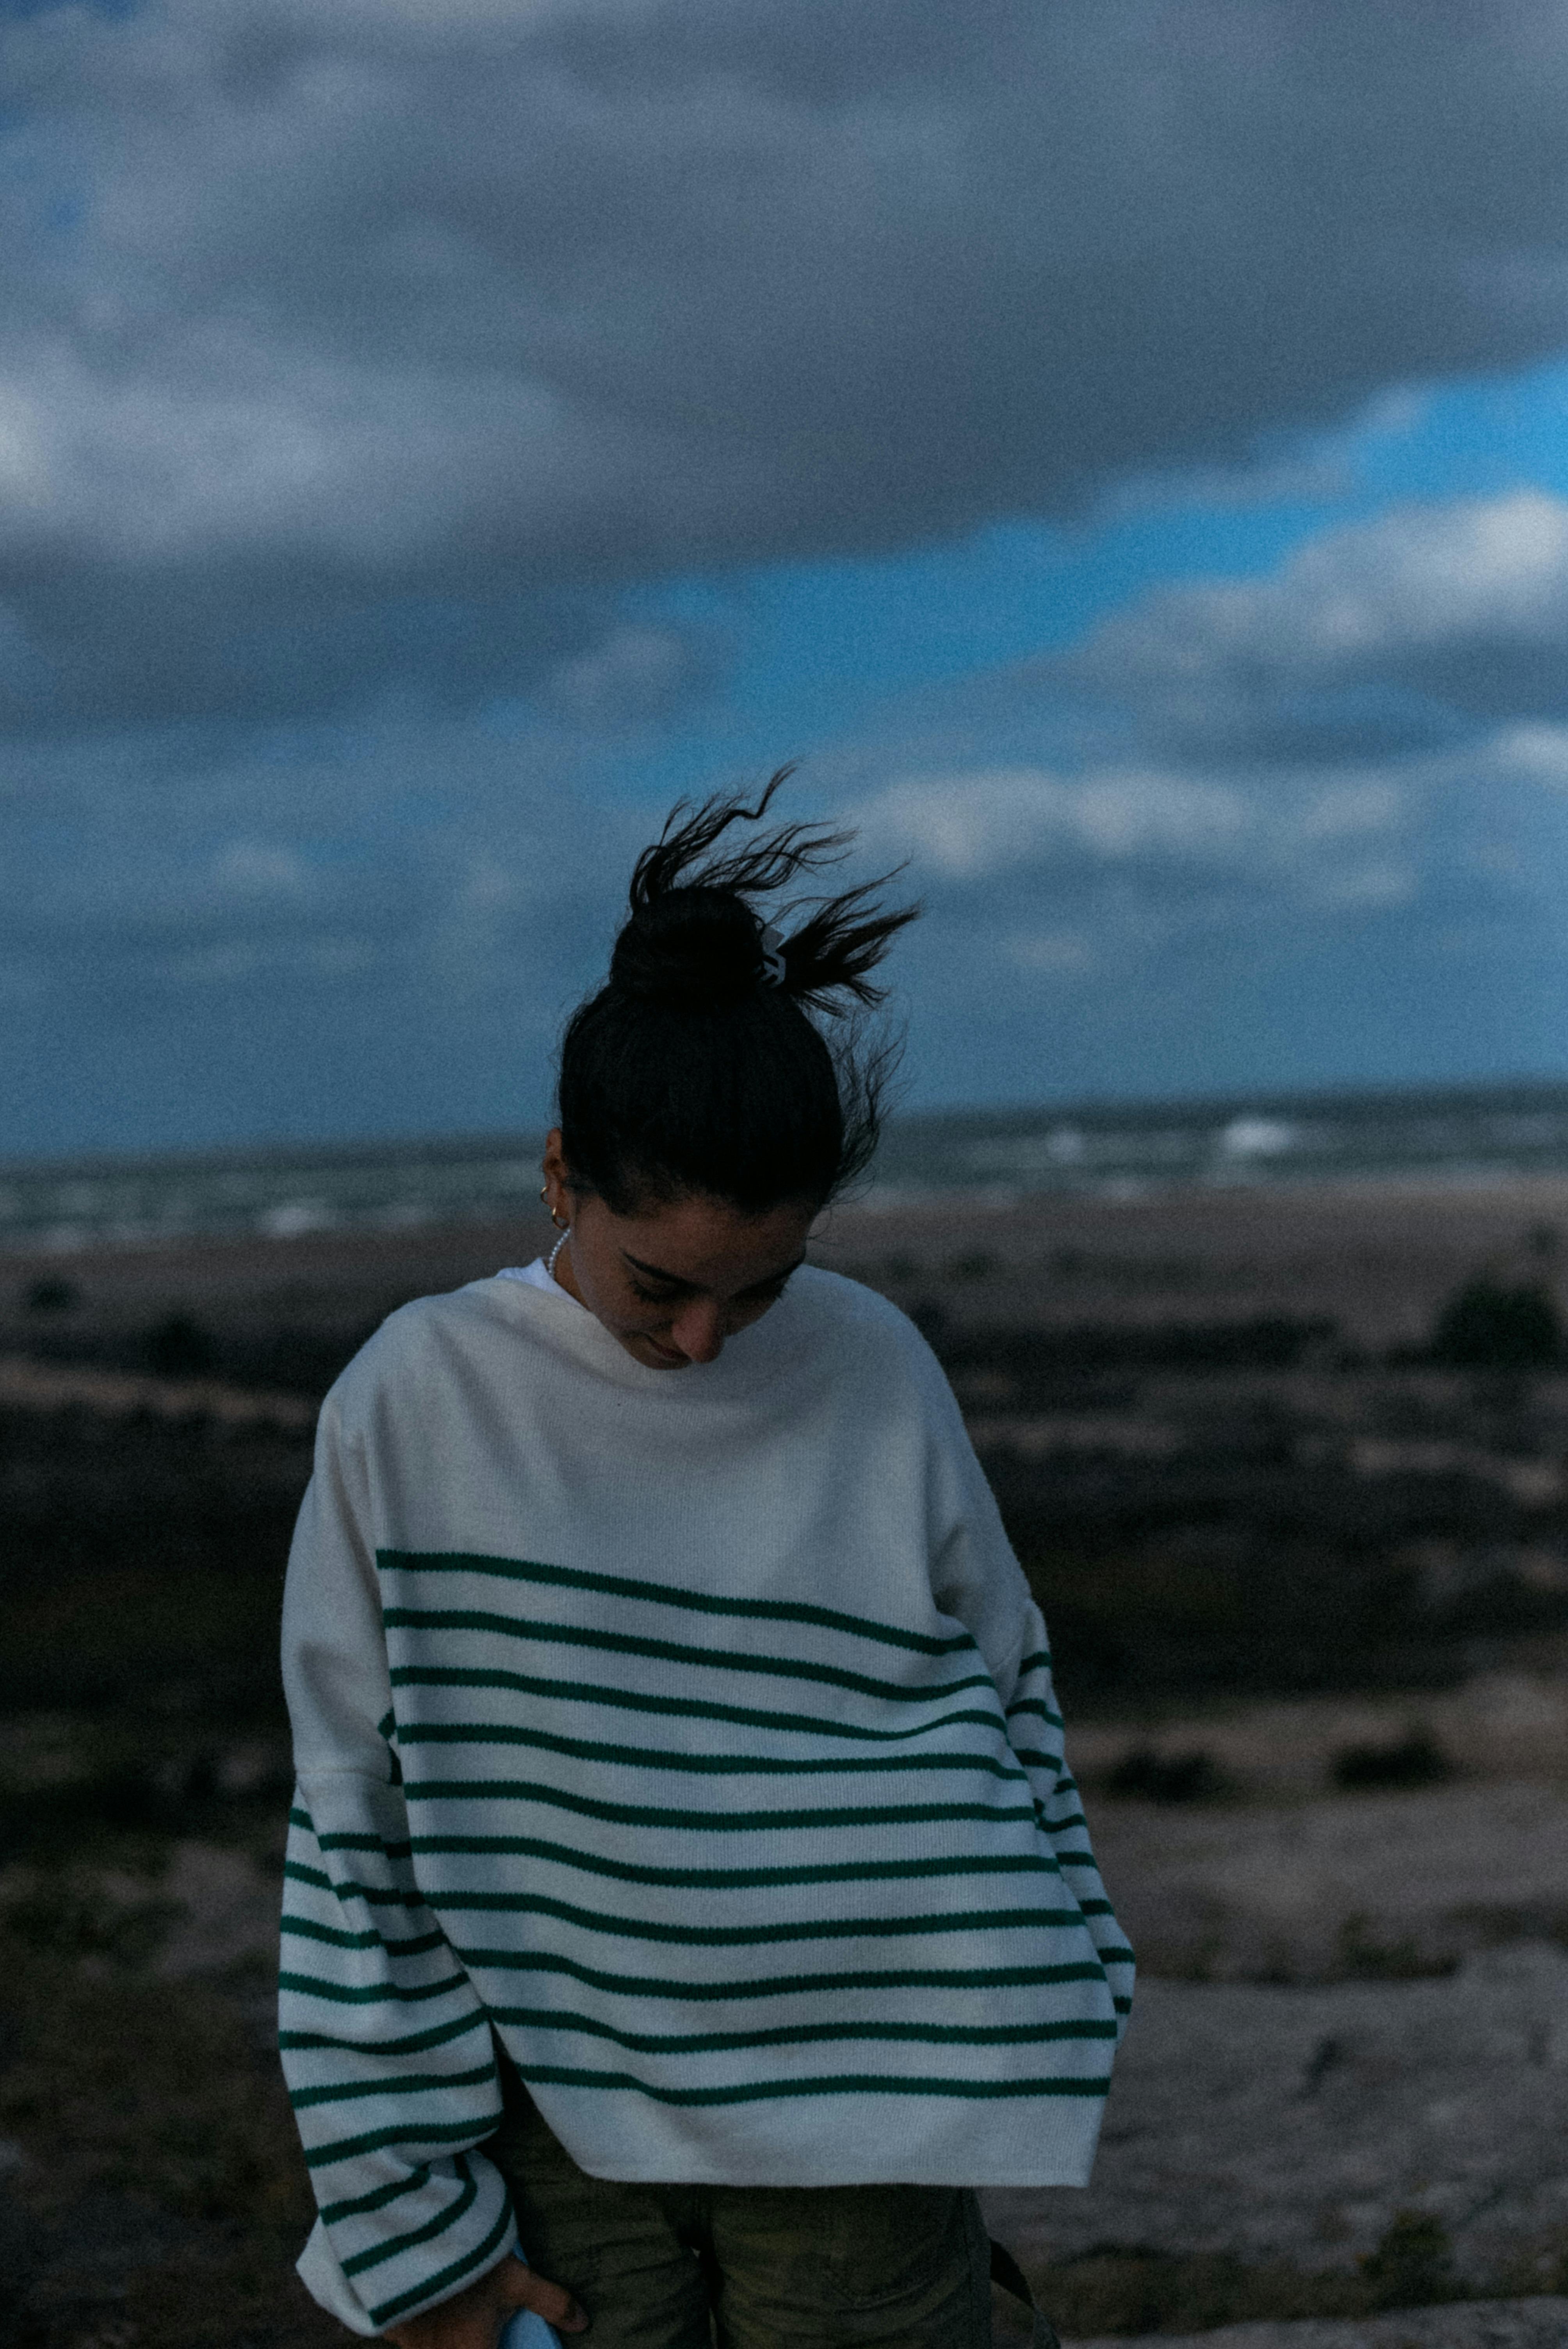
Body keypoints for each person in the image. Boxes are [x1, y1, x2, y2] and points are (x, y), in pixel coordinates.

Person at [278, 778, 1133, 2349]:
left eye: (760, 1289)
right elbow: (353, 1817)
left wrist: (1078, 1960)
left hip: (876, 2094)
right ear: (560, 1177)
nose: (702, 1339)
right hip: (557, 2100)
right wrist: (405, 2222)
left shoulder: (869, 1360)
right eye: (658, 1282)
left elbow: (1009, 1687)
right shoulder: (414, 1394)